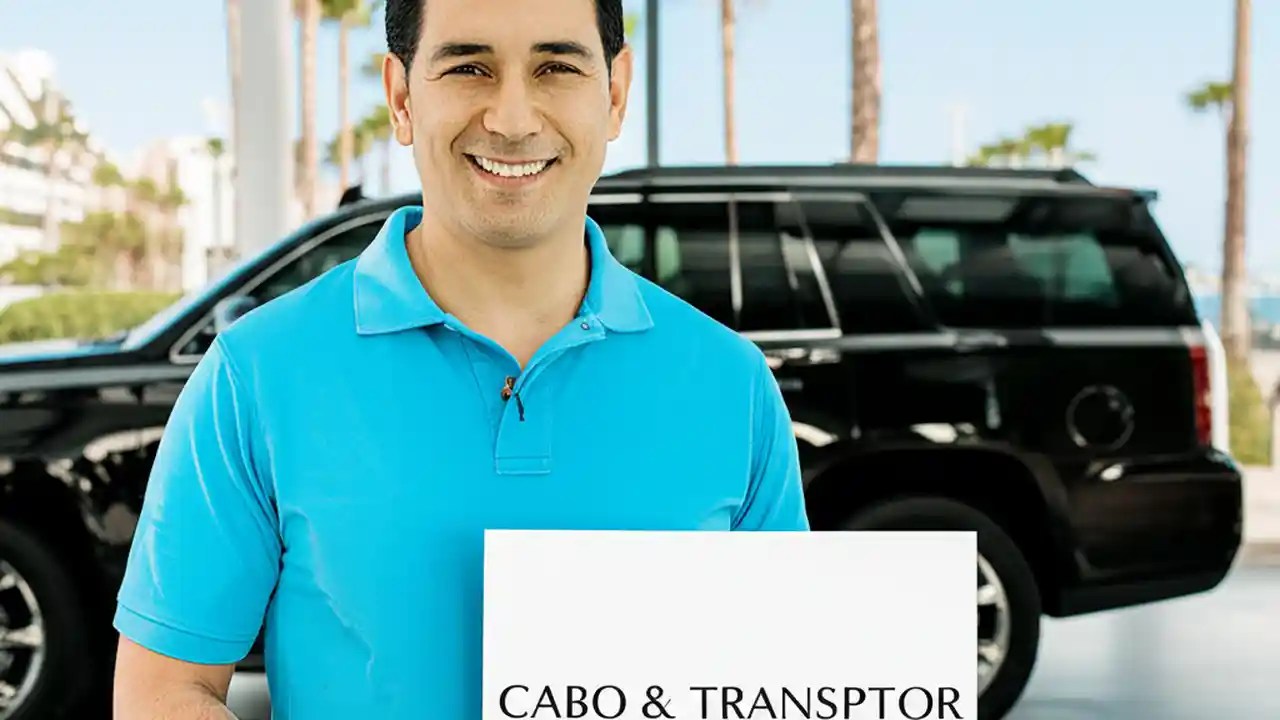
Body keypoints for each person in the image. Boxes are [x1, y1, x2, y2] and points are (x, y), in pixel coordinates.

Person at [110, 0, 809, 717]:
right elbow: (163, 688)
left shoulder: (732, 385)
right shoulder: (256, 372)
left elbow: (781, 677)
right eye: (469, 67)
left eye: (556, 67)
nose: (512, 118)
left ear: (616, 94)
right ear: (401, 97)